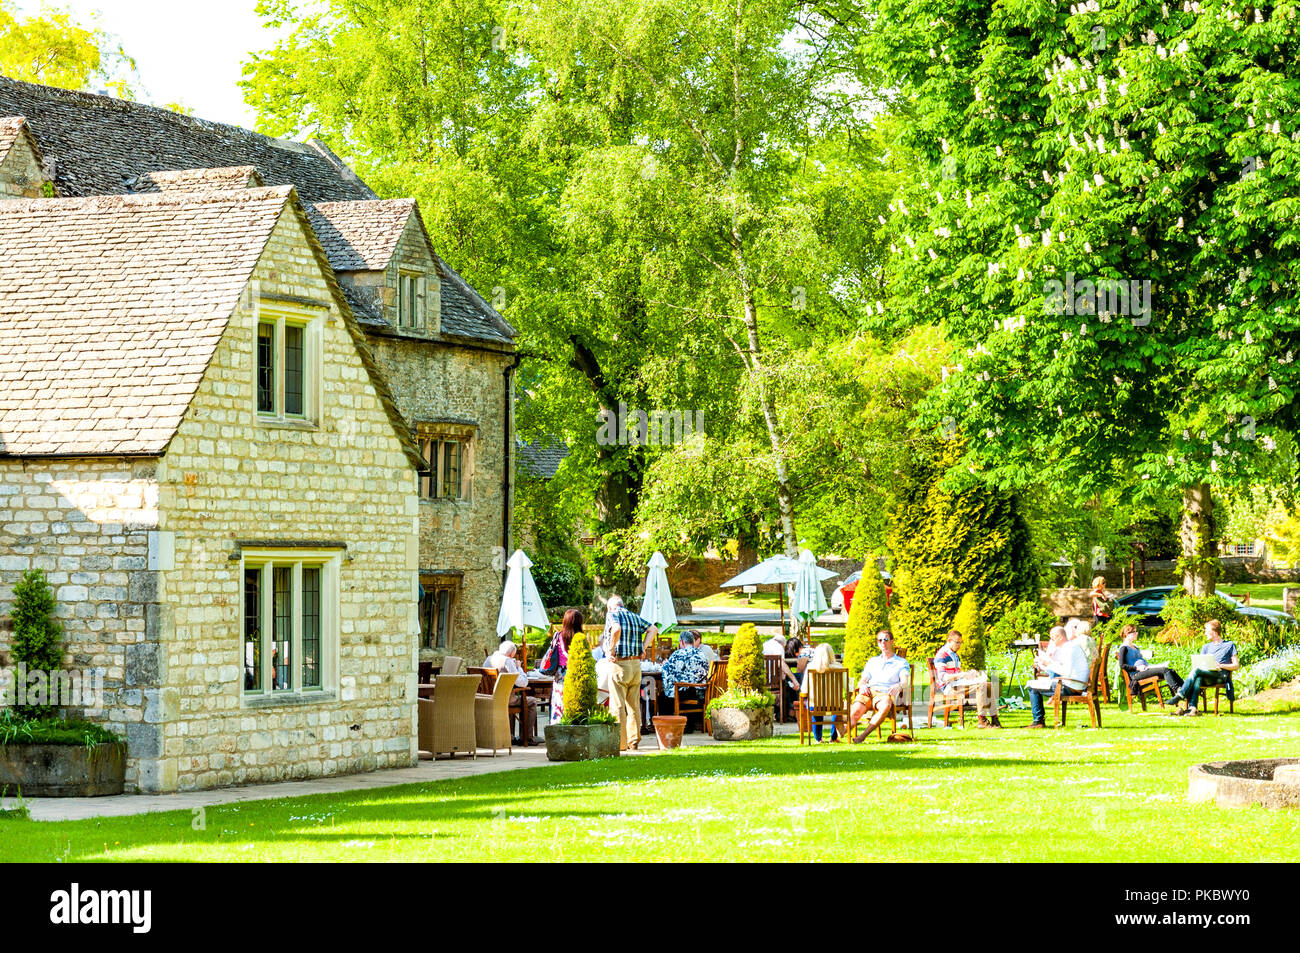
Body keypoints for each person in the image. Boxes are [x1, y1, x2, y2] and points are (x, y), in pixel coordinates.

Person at [601, 594, 659, 751]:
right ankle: (634, 741)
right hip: (635, 665)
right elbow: (653, 629)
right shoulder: (634, 616)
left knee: (618, 705)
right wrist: (643, 647)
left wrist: (611, 650)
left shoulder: (612, 614)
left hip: (619, 663)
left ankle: (620, 743)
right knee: (633, 705)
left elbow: (616, 629)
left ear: (610, 607)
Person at [848, 629, 911, 743]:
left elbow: (905, 681)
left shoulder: (901, 662)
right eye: (880, 640)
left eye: (886, 639)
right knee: (856, 711)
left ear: (892, 642)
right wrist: (862, 685)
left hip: (884, 694)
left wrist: (899, 685)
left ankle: (862, 737)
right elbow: (862, 680)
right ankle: (837, 736)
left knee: (885, 705)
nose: (883, 642)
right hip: (869, 692)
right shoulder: (873, 661)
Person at [1168, 619, 1238, 717]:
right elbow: (1200, 665)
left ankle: (1181, 694)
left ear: (1214, 632)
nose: (1204, 633)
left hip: (1220, 676)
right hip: (1206, 676)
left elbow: (1236, 666)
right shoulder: (1206, 647)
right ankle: (1193, 709)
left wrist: (1221, 665)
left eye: (1206, 630)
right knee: (1198, 677)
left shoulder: (1229, 645)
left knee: (1197, 672)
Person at [933, 629, 1001, 728]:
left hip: (958, 684)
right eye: (957, 642)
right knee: (981, 686)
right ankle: (982, 720)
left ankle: (994, 718)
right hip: (949, 688)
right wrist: (962, 675)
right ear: (949, 641)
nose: (959, 645)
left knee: (988, 684)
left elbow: (957, 674)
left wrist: (969, 675)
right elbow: (943, 677)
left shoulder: (955, 655)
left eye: (960, 642)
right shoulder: (942, 655)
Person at [1025, 625, 1088, 728]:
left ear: (1060, 637)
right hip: (1075, 683)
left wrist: (1048, 664)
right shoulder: (1070, 646)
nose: (1051, 640)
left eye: (1052, 638)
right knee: (1034, 684)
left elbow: (1065, 672)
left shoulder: (1069, 649)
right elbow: (1061, 668)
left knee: (1032, 687)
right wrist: (1044, 664)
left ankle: (1038, 721)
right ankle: (1038, 720)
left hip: (1071, 686)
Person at [485, 639, 538, 745]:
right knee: (531, 701)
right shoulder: (507, 661)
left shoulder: (489, 659)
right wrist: (519, 667)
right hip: (505, 700)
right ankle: (526, 738)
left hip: (489, 698)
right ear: (510, 654)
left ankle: (511, 736)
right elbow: (523, 682)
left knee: (512, 695)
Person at [1116, 623, 1183, 702]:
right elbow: (1122, 665)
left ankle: (1185, 688)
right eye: (1134, 632)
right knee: (1165, 670)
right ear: (1127, 634)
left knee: (1171, 671)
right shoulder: (1124, 648)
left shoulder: (1134, 646)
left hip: (1146, 668)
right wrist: (1137, 668)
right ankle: (1180, 692)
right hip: (1136, 674)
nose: (1136, 633)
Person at [540, 609, 583, 724]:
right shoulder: (581, 637)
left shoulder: (558, 635)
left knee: (559, 699)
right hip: (576, 672)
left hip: (560, 672)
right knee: (574, 700)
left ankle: (556, 724)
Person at [800, 643, 845, 742]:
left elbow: (804, 690)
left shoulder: (810, 667)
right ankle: (833, 738)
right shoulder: (839, 667)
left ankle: (818, 739)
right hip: (835, 704)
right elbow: (848, 687)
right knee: (836, 710)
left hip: (815, 705)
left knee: (815, 709)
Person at [761, 632, 801, 718]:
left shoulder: (764, 645)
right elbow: (781, 664)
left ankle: (784, 713)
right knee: (790, 684)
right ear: (783, 644)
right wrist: (794, 679)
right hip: (774, 681)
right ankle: (787, 713)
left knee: (787, 682)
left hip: (763, 680)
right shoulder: (779, 647)